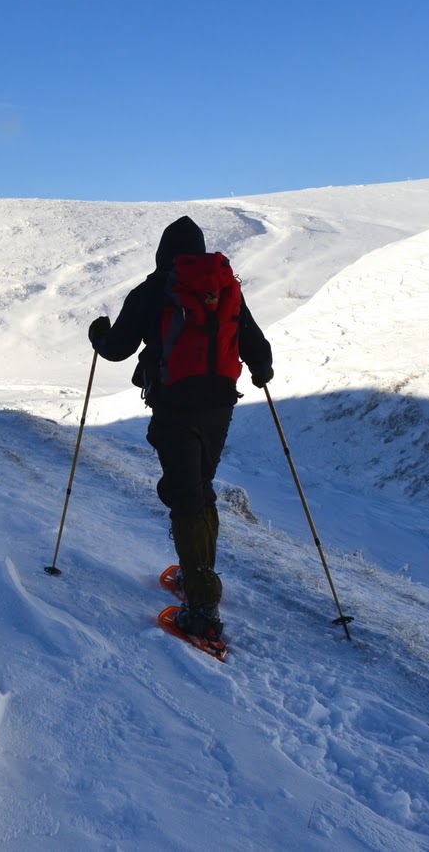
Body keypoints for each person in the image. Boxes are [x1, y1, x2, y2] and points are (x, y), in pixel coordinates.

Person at [87, 216, 272, 642]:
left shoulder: (154, 289)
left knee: (185, 496)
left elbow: (117, 349)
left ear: (163, 252)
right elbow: (256, 346)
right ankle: (199, 577)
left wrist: (98, 334)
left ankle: (203, 608)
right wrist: (261, 370)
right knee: (200, 487)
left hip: (175, 405)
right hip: (220, 404)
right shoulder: (224, 287)